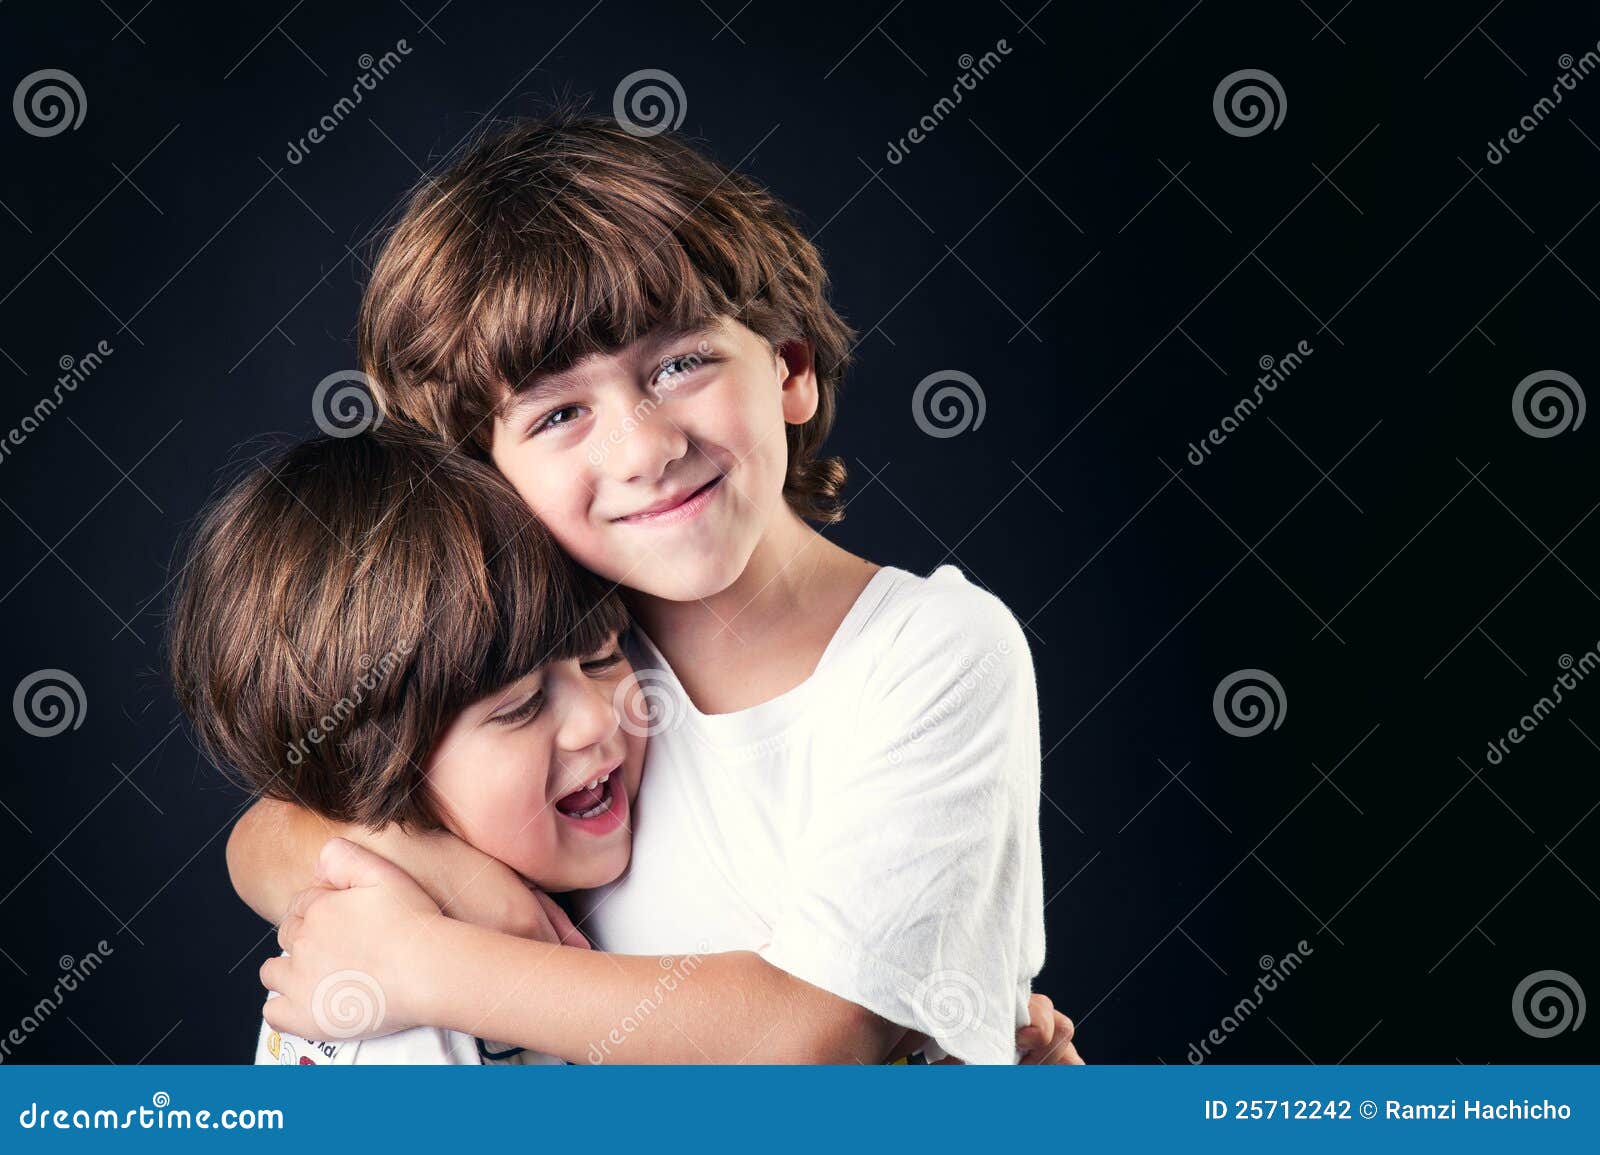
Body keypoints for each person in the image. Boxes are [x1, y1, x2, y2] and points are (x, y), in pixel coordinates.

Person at [231, 109, 1080, 1064]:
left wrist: (427, 958)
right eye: (557, 415)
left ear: (789, 366)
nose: (644, 449)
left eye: (680, 363)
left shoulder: (932, 650)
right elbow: (276, 823)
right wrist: (452, 878)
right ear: (482, 469)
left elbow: (813, 1040)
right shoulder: (549, 665)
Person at [169, 424, 638, 1063]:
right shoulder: (389, 1013)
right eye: (520, 708)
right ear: (377, 772)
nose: (598, 720)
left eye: (605, 657)